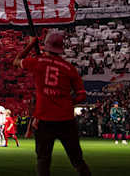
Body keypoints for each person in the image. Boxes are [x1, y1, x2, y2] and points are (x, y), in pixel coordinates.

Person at [13, 32, 92, 176]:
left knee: (43, 160)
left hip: (44, 120)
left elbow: (17, 60)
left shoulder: (37, 61)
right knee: (77, 160)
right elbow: (81, 95)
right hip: (66, 119)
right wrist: (68, 102)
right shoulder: (69, 68)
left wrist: (31, 44)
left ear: (46, 45)